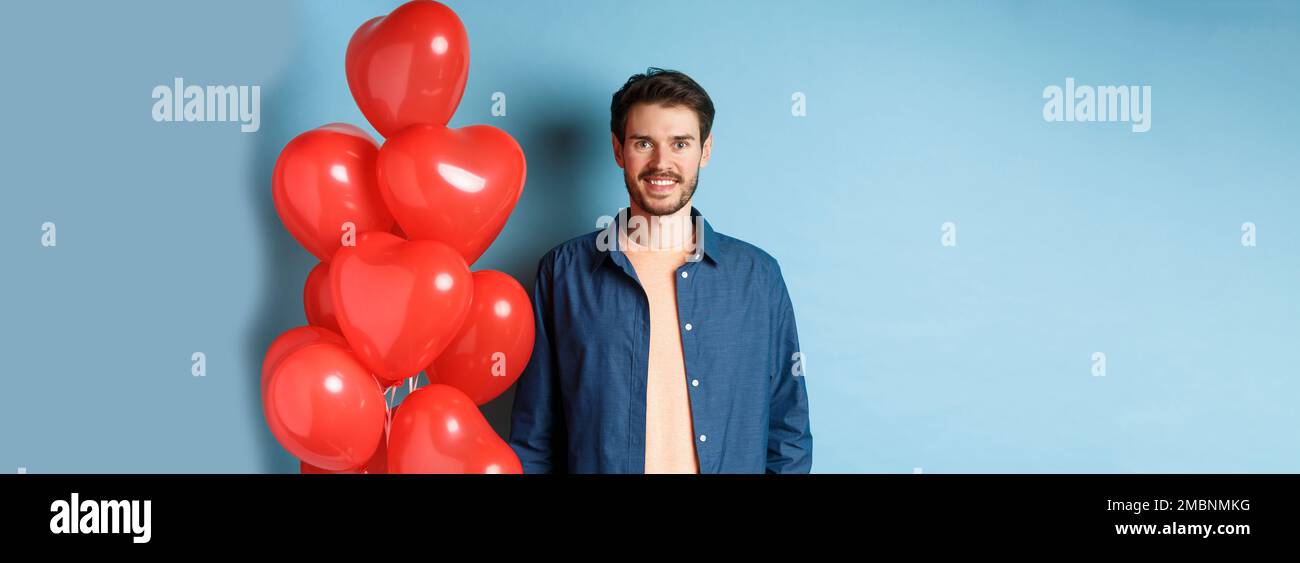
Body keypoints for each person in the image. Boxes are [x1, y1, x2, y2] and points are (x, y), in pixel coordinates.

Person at [508, 67, 812, 473]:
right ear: (618, 150)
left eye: (680, 143)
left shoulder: (758, 277)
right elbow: (533, 440)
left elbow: (788, 432)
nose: (661, 162)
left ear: (705, 150)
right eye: (644, 143)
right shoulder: (563, 274)